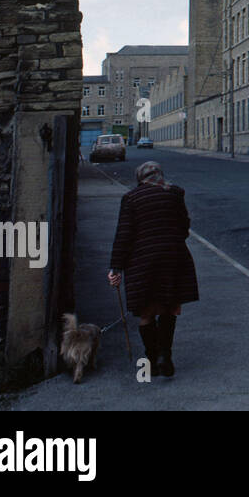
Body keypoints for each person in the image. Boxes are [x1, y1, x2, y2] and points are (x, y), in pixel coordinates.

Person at [107, 161, 199, 377]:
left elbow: (124, 234)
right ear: (160, 175)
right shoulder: (174, 193)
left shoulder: (131, 199)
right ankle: (165, 356)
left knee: (147, 312)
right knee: (169, 308)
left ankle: (152, 358)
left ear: (140, 178)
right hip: (173, 258)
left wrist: (116, 267)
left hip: (143, 261)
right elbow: (184, 226)